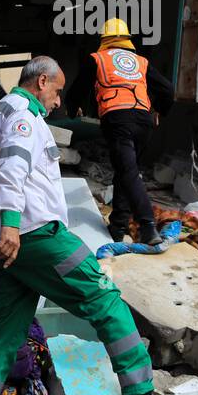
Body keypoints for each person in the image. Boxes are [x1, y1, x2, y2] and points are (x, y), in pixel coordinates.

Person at [0, 55, 184, 395]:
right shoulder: (24, 114)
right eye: (57, 92)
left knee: (3, 336)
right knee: (104, 298)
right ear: (42, 82)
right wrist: (11, 223)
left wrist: (3, 228)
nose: (59, 101)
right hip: (33, 233)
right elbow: (12, 168)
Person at [66, 19, 174, 245]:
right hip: (144, 121)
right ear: (127, 41)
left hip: (118, 119)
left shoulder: (98, 59)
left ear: (104, 41)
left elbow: (77, 88)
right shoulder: (141, 62)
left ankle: (148, 226)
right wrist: (159, 111)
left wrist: (72, 107)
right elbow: (167, 89)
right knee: (126, 172)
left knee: (128, 172)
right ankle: (118, 226)